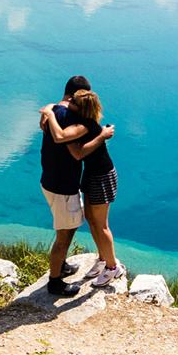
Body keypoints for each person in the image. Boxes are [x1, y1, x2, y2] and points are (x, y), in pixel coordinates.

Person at [41, 89, 124, 287]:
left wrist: (51, 114)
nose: (69, 104)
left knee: (101, 224)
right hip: (91, 175)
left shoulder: (84, 126)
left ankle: (113, 268)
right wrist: (52, 108)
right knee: (91, 220)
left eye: (73, 102)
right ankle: (103, 259)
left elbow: (69, 145)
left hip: (101, 176)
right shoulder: (81, 121)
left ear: (81, 107)